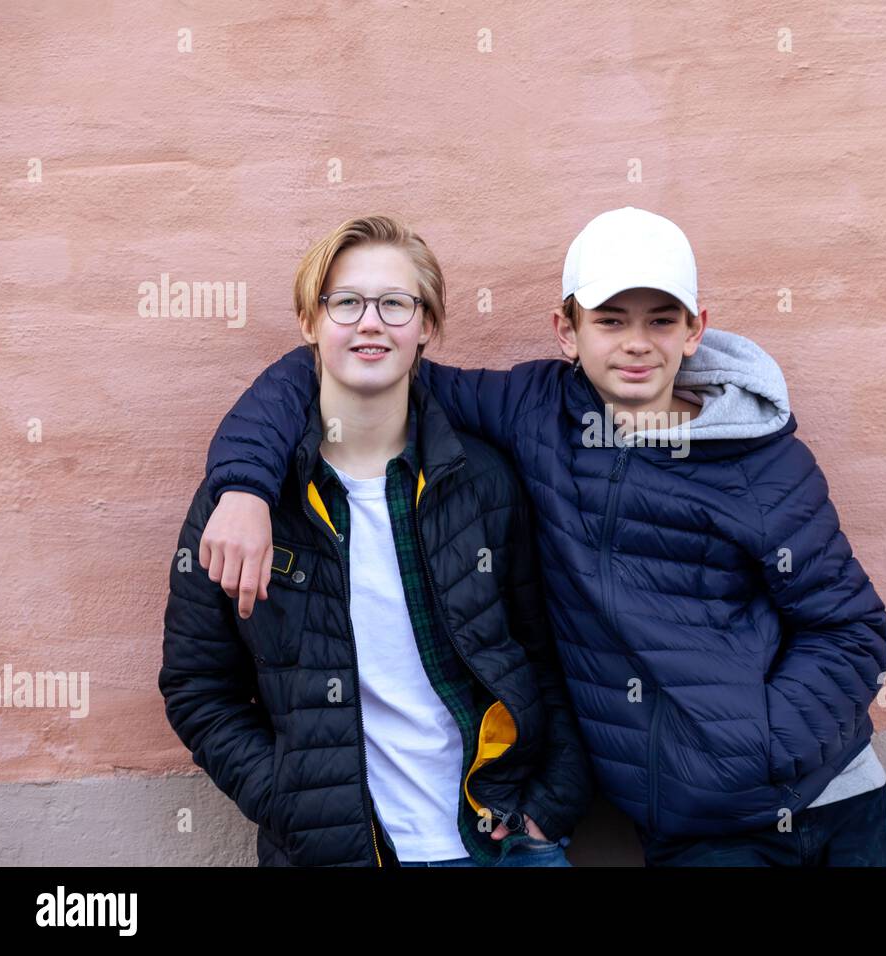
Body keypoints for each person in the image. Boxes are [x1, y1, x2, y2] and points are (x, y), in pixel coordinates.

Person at [196, 207, 886, 866]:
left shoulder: (762, 458)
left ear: (695, 329)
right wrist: (243, 485)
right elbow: (357, 364)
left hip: (832, 800)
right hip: (694, 826)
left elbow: (851, 627)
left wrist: (759, 750)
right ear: (567, 330)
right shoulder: (534, 413)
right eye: (611, 319)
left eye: (661, 320)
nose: (637, 343)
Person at [160, 215, 591, 867]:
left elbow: (545, 658)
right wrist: (294, 802)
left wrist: (548, 806)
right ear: (311, 323)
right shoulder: (244, 505)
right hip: (337, 853)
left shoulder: (484, 484)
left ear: (426, 327)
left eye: (395, 303)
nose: (371, 322)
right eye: (347, 302)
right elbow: (198, 687)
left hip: (498, 845)